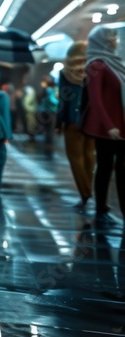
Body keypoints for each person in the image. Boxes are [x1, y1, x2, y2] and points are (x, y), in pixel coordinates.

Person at [81, 25, 125, 227]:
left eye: (115, 37)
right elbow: (96, 100)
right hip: (107, 129)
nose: (115, 41)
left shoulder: (117, 64)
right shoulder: (96, 65)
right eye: (111, 38)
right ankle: (100, 209)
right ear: (102, 40)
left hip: (121, 126)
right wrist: (109, 126)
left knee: (122, 169)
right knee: (105, 167)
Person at [56, 41, 95, 212]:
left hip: (72, 120)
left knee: (75, 157)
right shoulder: (94, 71)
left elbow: (64, 100)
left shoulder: (66, 73)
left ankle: (85, 193)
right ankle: (88, 191)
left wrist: (59, 122)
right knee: (89, 155)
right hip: (91, 120)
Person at [38, 77, 59, 144]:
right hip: (49, 111)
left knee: (47, 128)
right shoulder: (50, 90)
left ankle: (48, 142)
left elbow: (49, 99)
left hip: (46, 111)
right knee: (49, 128)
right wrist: (58, 103)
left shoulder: (48, 90)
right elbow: (51, 99)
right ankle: (49, 142)